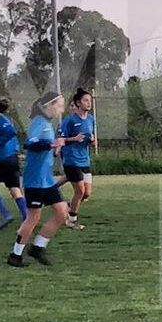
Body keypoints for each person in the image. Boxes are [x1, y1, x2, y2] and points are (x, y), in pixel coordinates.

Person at [9, 91, 69, 266]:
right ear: (48, 106)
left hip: (46, 180)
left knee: (62, 212)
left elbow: (44, 148)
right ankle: (15, 256)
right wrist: (51, 144)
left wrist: (54, 149)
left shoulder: (48, 125)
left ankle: (38, 248)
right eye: (59, 105)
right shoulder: (38, 123)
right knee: (33, 218)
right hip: (35, 180)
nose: (61, 109)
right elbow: (30, 144)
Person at [0, 96, 26, 232]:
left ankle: (6, 214)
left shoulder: (1, 119)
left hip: (4, 159)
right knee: (14, 189)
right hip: (12, 158)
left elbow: (11, 132)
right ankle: (26, 217)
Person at [60, 87, 97, 228]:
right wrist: (74, 138)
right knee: (79, 191)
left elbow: (91, 139)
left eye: (90, 100)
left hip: (84, 159)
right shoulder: (69, 120)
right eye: (86, 100)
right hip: (71, 159)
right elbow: (60, 140)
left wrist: (93, 141)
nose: (89, 103)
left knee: (86, 194)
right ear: (78, 103)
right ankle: (71, 220)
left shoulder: (91, 119)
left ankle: (65, 206)